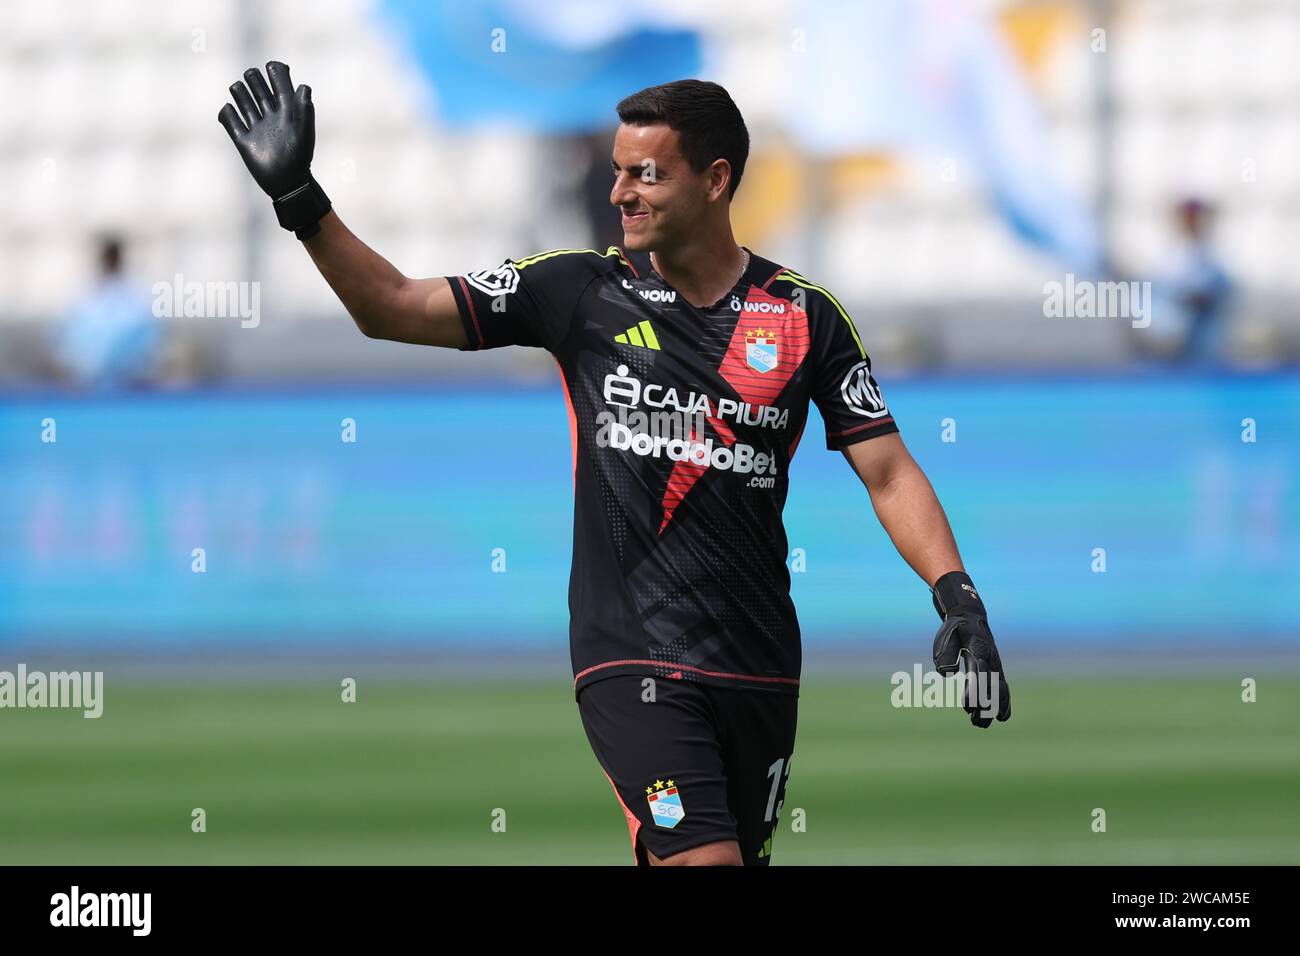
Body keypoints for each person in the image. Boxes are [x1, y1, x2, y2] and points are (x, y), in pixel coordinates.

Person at [218, 62, 1011, 867]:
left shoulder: (806, 317)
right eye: (618, 171)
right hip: (632, 657)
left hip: (759, 665)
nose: (620, 193)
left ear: (715, 180)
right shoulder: (579, 290)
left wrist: (959, 599)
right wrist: (299, 199)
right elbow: (391, 304)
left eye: (646, 174)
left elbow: (888, 472)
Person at [53, 236, 162, 389]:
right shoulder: (83, 292)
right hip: (87, 379)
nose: (110, 261)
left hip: (129, 379)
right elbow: (68, 335)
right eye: (107, 257)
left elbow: (146, 335)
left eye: (113, 257)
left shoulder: (137, 293)